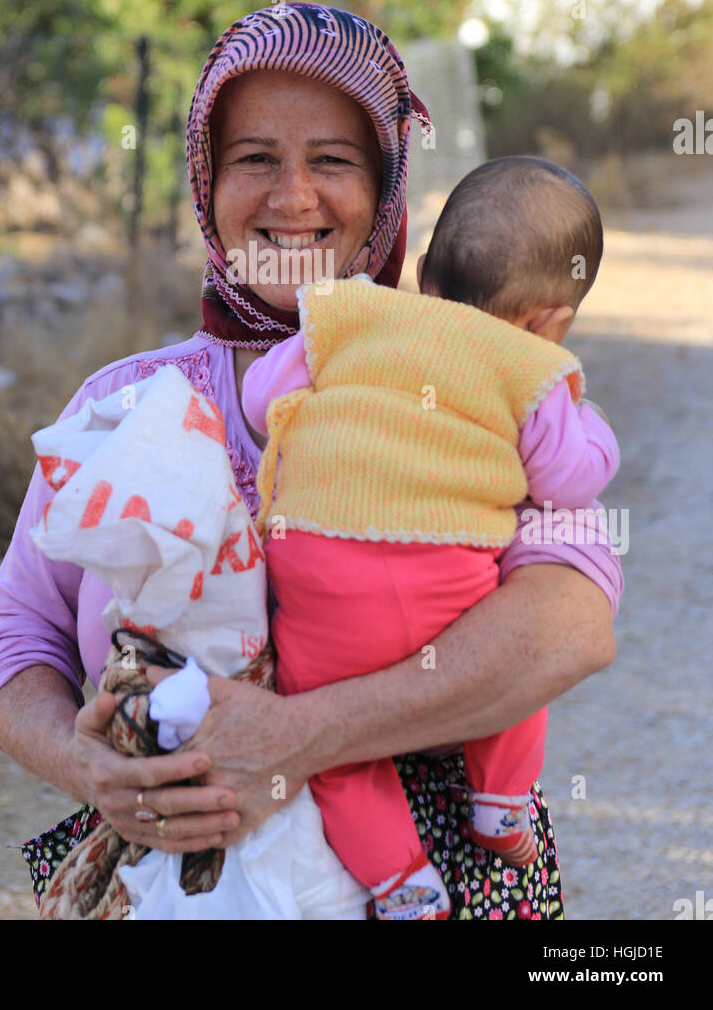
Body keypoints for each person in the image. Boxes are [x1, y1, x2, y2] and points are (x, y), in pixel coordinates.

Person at [0, 1, 623, 919]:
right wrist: (85, 763)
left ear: (388, 186)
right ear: (205, 178)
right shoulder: (125, 406)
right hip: (175, 874)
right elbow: (15, 639)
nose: (292, 197)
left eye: (332, 160)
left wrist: (296, 738)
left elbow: (571, 624)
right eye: (255, 159)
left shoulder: (469, 380)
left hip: (433, 877)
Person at [240, 156, 620, 919]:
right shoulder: (531, 365)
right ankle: (502, 803)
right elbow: (568, 480)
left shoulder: (352, 314)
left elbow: (261, 400)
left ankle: (404, 886)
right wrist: (590, 423)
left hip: (320, 580)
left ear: (419, 268)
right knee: (512, 675)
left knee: (336, 754)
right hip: (443, 588)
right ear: (553, 319)